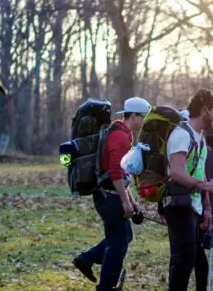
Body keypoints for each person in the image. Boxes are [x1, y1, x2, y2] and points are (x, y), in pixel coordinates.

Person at [73, 97, 151, 290]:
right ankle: (106, 287)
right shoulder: (119, 137)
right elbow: (115, 172)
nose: (144, 122)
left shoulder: (124, 134)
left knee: (124, 237)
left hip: (112, 193)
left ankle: (86, 259)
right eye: (143, 117)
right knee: (117, 244)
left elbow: (122, 175)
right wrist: (125, 203)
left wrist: (133, 202)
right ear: (133, 116)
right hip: (108, 196)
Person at [163, 89, 213, 291]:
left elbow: (200, 172)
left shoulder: (200, 138)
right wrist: (202, 186)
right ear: (204, 110)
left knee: (198, 258)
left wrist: (206, 207)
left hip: (195, 205)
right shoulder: (181, 135)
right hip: (178, 204)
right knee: (183, 259)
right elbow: (176, 172)